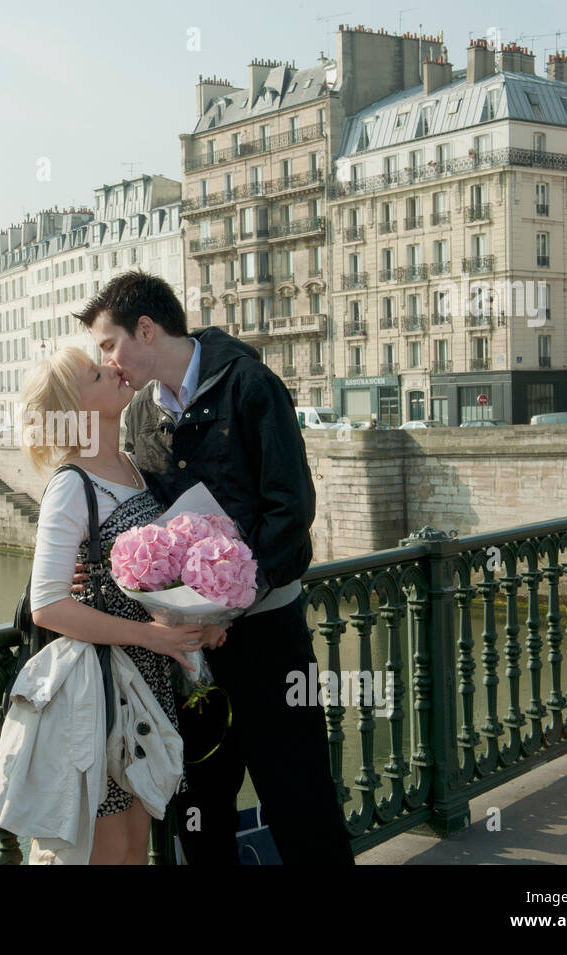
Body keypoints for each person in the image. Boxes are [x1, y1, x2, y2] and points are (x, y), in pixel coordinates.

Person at [74, 270, 354, 865]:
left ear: (145, 330)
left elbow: (291, 511)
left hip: (267, 637)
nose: (108, 359)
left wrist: (231, 606)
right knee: (202, 809)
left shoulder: (250, 385)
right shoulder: (141, 417)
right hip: (193, 648)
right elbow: (144, 522)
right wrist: (84, 576)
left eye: (108, 343)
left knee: (299, 797)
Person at [14, 345, 227, 864]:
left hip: (146, 682)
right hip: (103, 693)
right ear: (78, 408)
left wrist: (200, 617)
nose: (112, 367)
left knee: (135, 847)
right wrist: (151, 635)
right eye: (95, 372)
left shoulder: (132, 464)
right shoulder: (71, 485)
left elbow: (150, 576)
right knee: (111, 851)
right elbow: (47, 606)